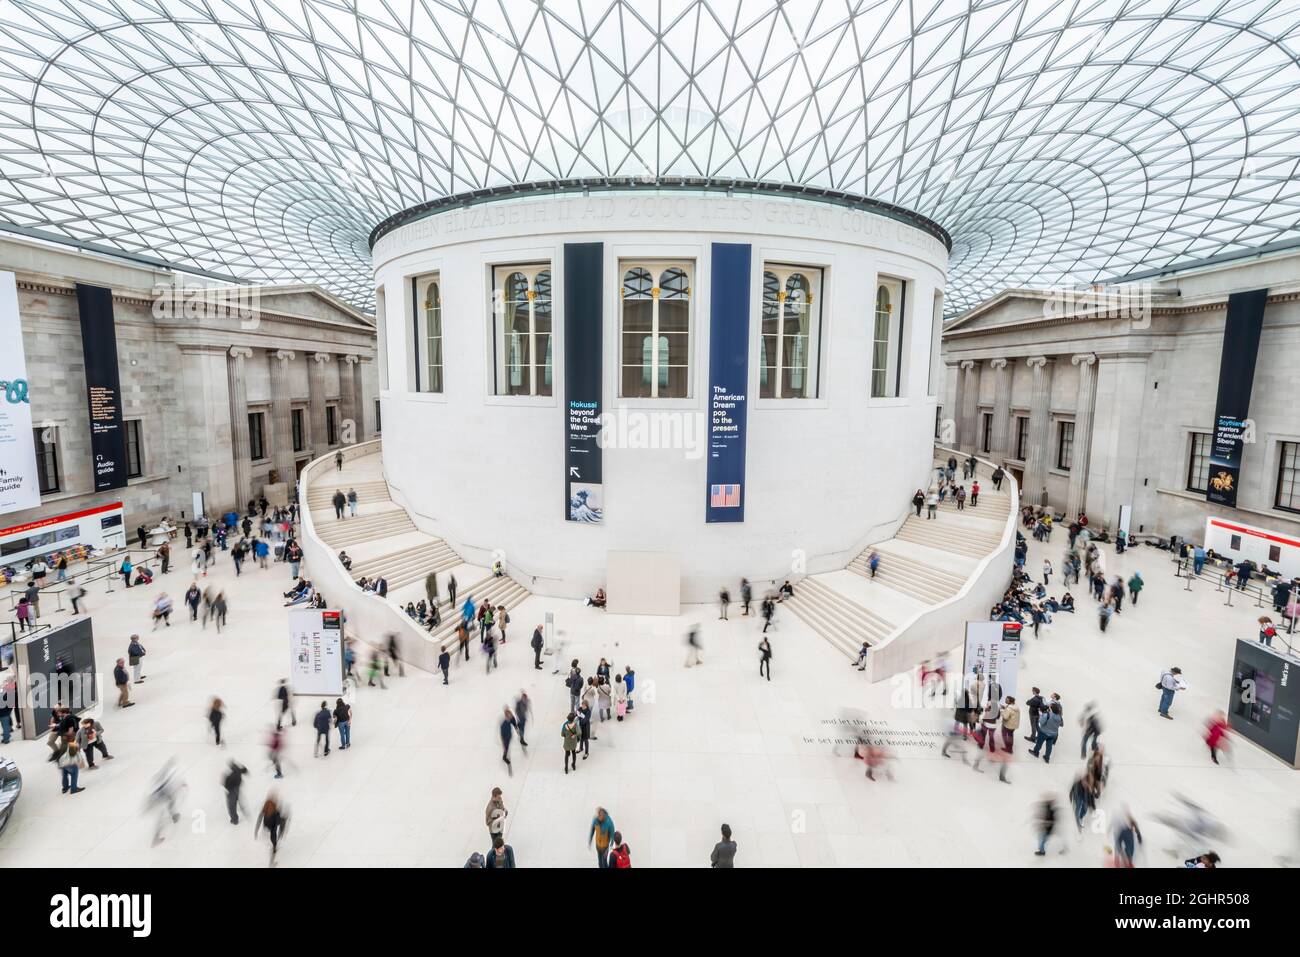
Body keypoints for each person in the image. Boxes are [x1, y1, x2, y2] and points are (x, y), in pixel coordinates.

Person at [255, 796, 289, 866]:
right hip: (271, 830)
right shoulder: (275, 812)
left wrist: (256, 830)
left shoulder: (265, 810)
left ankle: (273, 850)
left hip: (267, 829)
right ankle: (271, 863)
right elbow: (280, 822)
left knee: (272, 844)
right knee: (273, 847)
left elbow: (259, 819)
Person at [499, 707, 517, 776]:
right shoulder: (503, 724)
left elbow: (514, 722)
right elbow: (502, 735)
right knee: (506, 750)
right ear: (506, 716)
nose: (511, 715)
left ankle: (505, 756)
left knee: (507, 749)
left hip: (508, 738)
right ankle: (506, 760)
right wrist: (503, 743)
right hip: (506, 739)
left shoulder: (510, 719)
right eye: (509, 715)